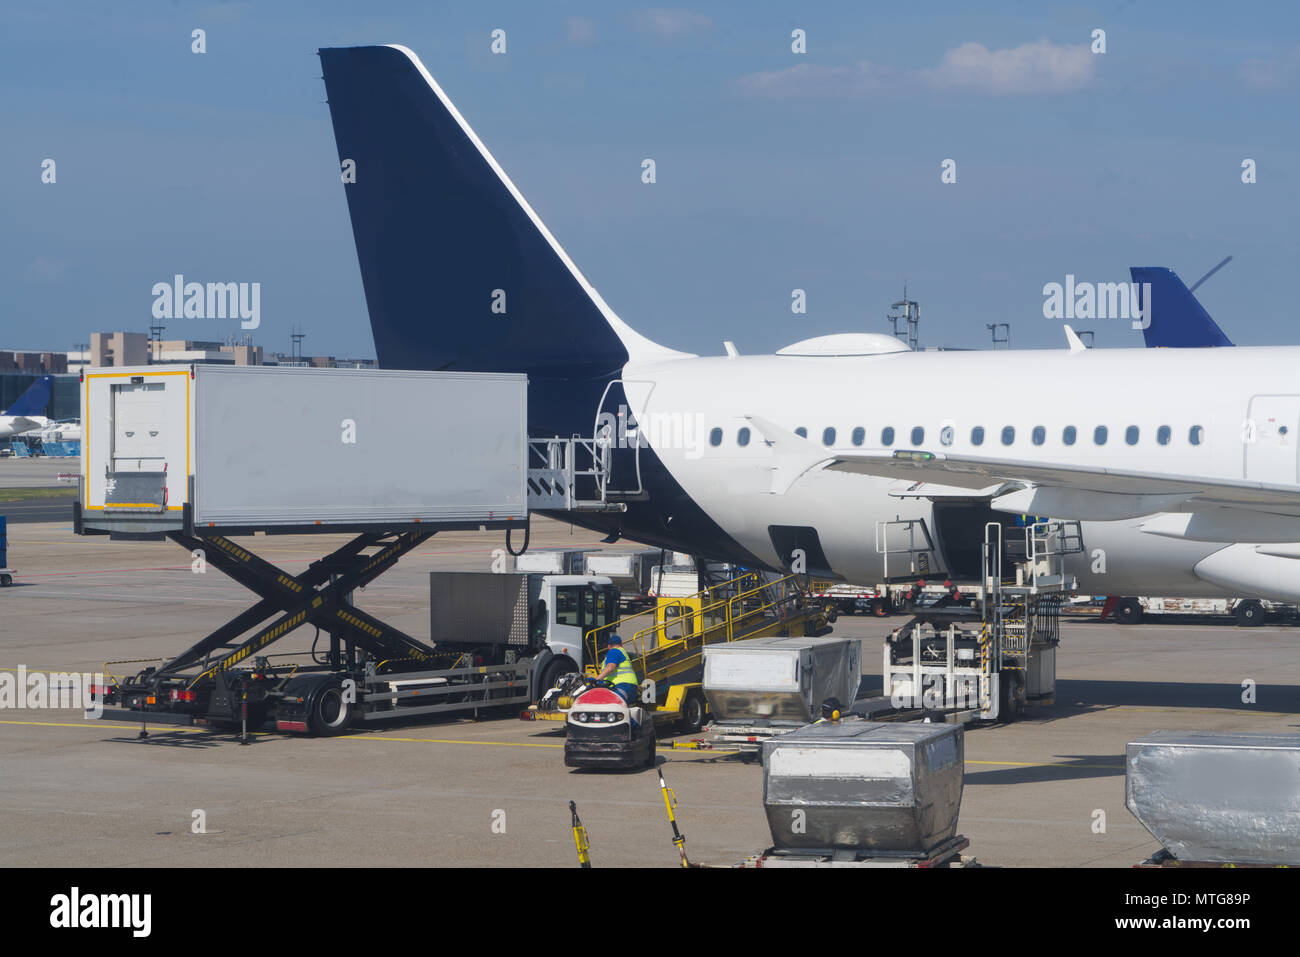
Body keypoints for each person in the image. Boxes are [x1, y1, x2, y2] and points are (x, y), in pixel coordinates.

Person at [595, 633, 639, 706]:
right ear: (622, 645)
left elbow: (610, 667)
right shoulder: (623, 652)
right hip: (630, 688)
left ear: (609, 646)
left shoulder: (614, 651)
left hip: (622, 686)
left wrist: (596, 679)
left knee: (611, 706)